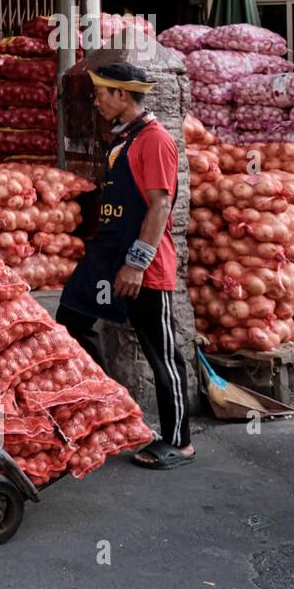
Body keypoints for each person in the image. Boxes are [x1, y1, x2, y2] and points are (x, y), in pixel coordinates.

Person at [56, 61, 195, 470]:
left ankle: (179, 441)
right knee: (71, 319)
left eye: (102, 93)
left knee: (163, 354)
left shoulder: (154, 140)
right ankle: (106, 408)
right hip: (106, 259)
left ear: (121, 95)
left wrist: (136, 265)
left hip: (142, 267)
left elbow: (160, 205)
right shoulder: (125, 139)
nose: (96, 101)